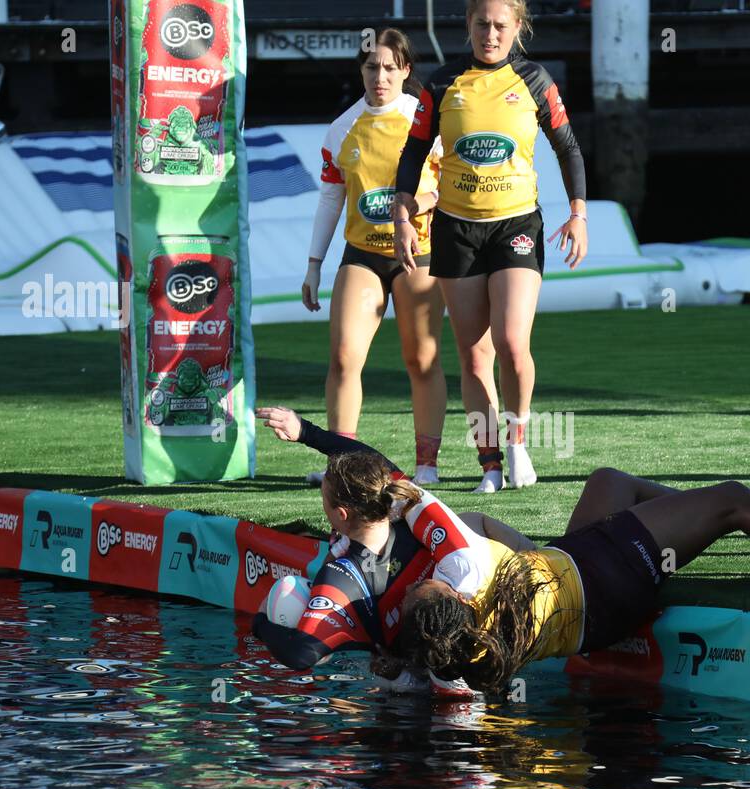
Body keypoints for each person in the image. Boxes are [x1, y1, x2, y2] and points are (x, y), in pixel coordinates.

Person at [393, 0, 588, 494]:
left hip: (516, 225)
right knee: (474, 357)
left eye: (501, 25)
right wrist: (401, 214)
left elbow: (568, 147)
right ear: (468, 25)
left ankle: (518, 441)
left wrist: (578, 215)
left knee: (510, 343)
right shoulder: (441, 83)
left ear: (518, 28)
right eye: (482, 24)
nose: (491, 33)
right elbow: (414, 150)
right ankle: (490, 464)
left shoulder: (536, 81)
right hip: (456, 229)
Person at [393, 465, 750, 695]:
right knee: (730, 499)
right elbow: (434, 505)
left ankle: (706, 514)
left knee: (608, 483)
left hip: (590, 610)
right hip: (606, 570)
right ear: (460, 601)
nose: (414, 584)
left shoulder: (458, 655)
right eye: (426, 586)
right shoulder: (471, 570)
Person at [251, 406, 509, 694]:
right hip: (472, 646)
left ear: (341, 514)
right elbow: (373, 460)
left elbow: (301, 655)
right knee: (474, 523)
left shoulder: (341, 573)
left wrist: (260, 623)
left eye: (323, 498)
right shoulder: (408, 508)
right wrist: (306, 432)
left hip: (421, 685)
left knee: (398, 679)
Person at [303, 29, 448, 487]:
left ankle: (427, 466)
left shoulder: (426, 118)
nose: (380, 77)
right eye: (371, 67)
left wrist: (425, 200)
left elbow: (459, 182)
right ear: (360, 70)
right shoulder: (342, 128)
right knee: (344, 357)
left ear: (406, 71)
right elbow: (330, 198)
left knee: (420, 358)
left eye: (390, 68)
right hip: (362, 255)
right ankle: (341, 464)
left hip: (419, 255)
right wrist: (313, 264)